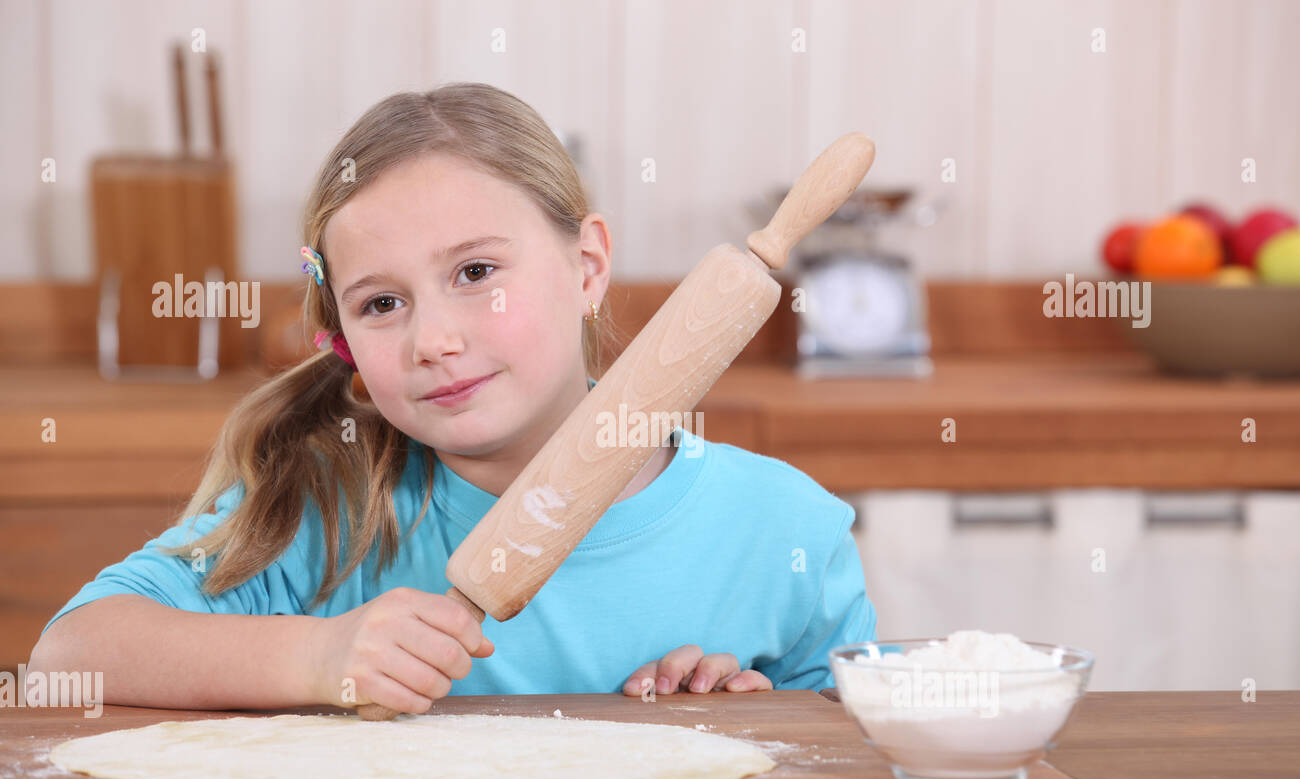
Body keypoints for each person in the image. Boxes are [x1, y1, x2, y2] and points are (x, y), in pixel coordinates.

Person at [31, 82, 877, 713]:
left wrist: (745, 711)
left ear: (587, 267)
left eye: (475, 273)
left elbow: (840, 759)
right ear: (346, 340)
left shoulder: (783, 530)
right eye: (382, 303)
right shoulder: (328, 507)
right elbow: (68, 655)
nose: (432, 339)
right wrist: (319, 655)